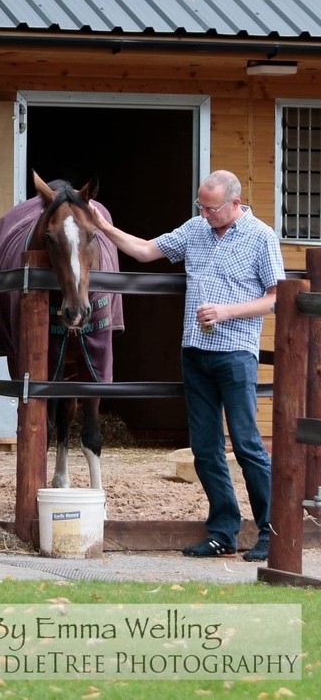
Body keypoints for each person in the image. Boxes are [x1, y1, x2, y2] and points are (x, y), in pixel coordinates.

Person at [92, 170, 284, 563]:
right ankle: (223, 531)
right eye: (201, 205)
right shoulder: (196, 229)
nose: (205, 212)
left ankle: (271, 531)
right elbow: (146, 251)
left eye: (211, 207)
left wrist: (228, 312)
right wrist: (102, 226)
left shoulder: (261, 237)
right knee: (205, 447)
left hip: (235, 352)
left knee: (247, 443)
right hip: (194, 351)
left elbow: (277, 297)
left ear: (235, 202)